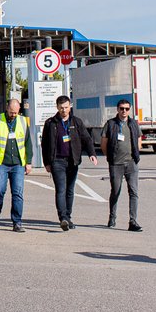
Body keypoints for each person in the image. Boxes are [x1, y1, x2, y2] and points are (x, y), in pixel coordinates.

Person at [40, 95, 98, 231]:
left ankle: (68, 216)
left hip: (72, 161)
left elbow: (87, 139)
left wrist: (92, 154)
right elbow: (45, 144)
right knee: (61, 189)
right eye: (61, 108)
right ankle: (63, 218)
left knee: (70, 190)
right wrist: (47, 162)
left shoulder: (76, 122)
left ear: (70, 106)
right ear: (57, 107)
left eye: (66, 107)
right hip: (57, 161)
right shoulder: (50, 123)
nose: (64, 110)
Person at [0, 97, 32, 232]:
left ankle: (17, 222)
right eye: (11, 112)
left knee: (17, 193)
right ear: (7, 109)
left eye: (16, 112)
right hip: (1, 163)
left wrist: (28, 162)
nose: (13, 115)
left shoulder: (23, 121)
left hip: (18, 163)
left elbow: (28, 142)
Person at [100, 99, 143, 232]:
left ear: (129, 110)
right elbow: (104, 143)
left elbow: (139, 139)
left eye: (127, 109)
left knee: (134, 192)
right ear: (117, 109)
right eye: (122, 108)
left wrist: (136, 151)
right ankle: (112, 217)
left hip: (131, 163)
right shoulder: (111, 124)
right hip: (116, 164)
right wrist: (110, 157)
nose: (124, 111)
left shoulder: (133, 124)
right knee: (116, 191)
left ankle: (133, 221)